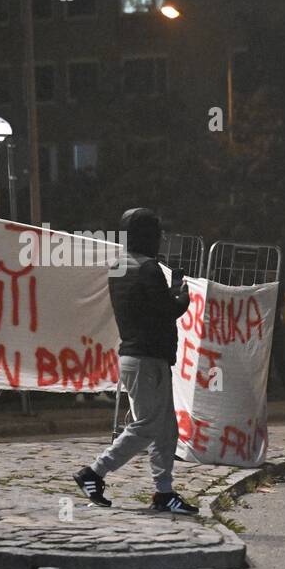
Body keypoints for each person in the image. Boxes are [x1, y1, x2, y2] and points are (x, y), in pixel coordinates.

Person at [73, 208, 198, 514]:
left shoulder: (119, 266)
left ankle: (164, 493)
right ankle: (94, 472)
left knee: (167, 430)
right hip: (149, 360)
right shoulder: (149, 268)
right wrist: (183, 296)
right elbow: (167, 312)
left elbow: (147, 307)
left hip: (134, 357)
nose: (159, 239)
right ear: (147, 235)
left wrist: (168, 295)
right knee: (146, 426)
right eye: (156, 234)